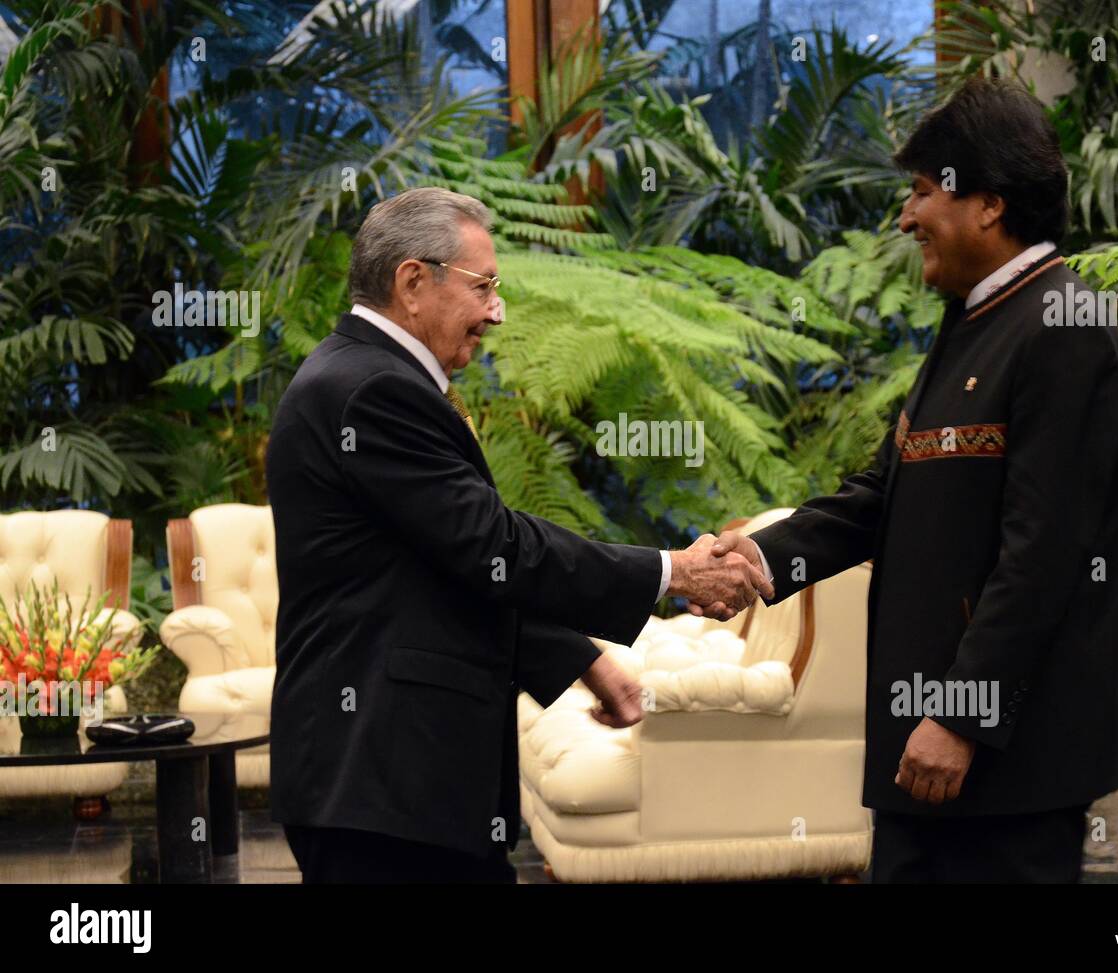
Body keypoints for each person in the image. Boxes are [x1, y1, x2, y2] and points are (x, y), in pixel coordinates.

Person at [703, 77, 1118, 883]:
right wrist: (759, 558)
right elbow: (883, 492)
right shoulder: (974, 322)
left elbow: (1042, 557)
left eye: (922, 191)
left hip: (1002, 773)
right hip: (927, 757)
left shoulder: (1063, 331)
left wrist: (963, 716)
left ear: (990, 204)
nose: (906, 218)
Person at [267, 187, 771, 883]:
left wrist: (581, 658)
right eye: (484, 287)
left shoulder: (361, 377)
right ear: (413, 281)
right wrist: (671, 572)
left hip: (395, 788)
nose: (496, 312)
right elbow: (493, 545)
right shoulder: (372, 391)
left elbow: (445, 568)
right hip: (383, 780)